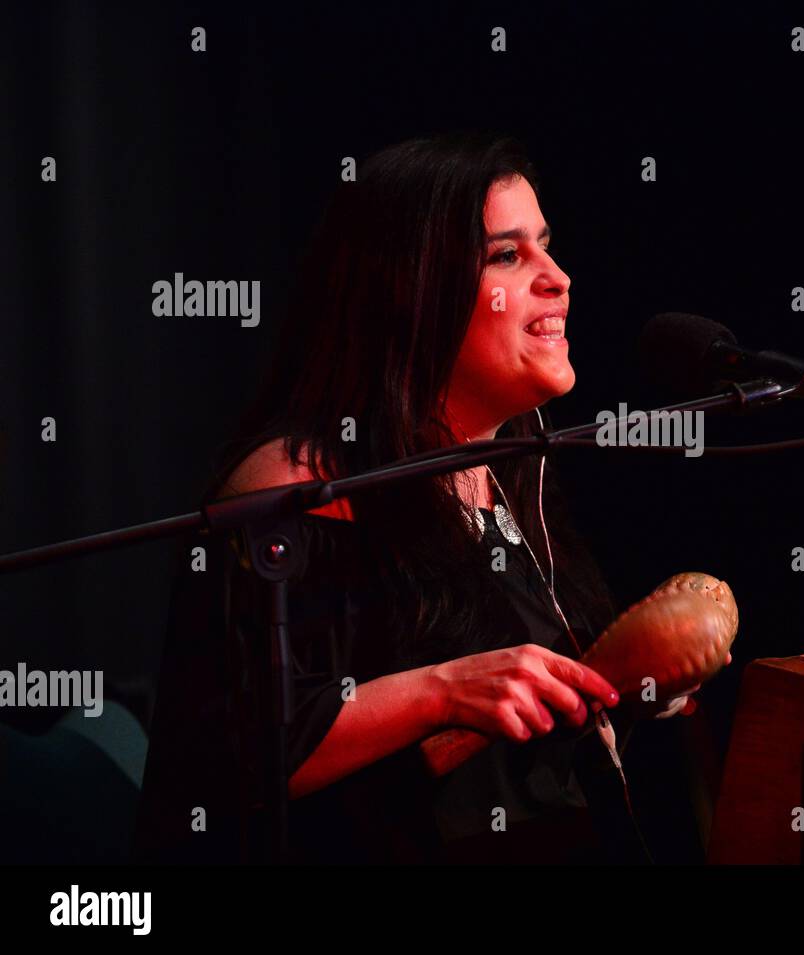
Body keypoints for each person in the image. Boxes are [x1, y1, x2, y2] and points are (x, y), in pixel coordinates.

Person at [135, 132, 704, 863]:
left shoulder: (512, 469)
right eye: (508, 255)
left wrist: (638, 681)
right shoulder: (300, 487)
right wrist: (443, 690)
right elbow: (235, 758)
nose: (558, 277)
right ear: (411, 289)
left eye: (547, 246)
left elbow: (516, 732)